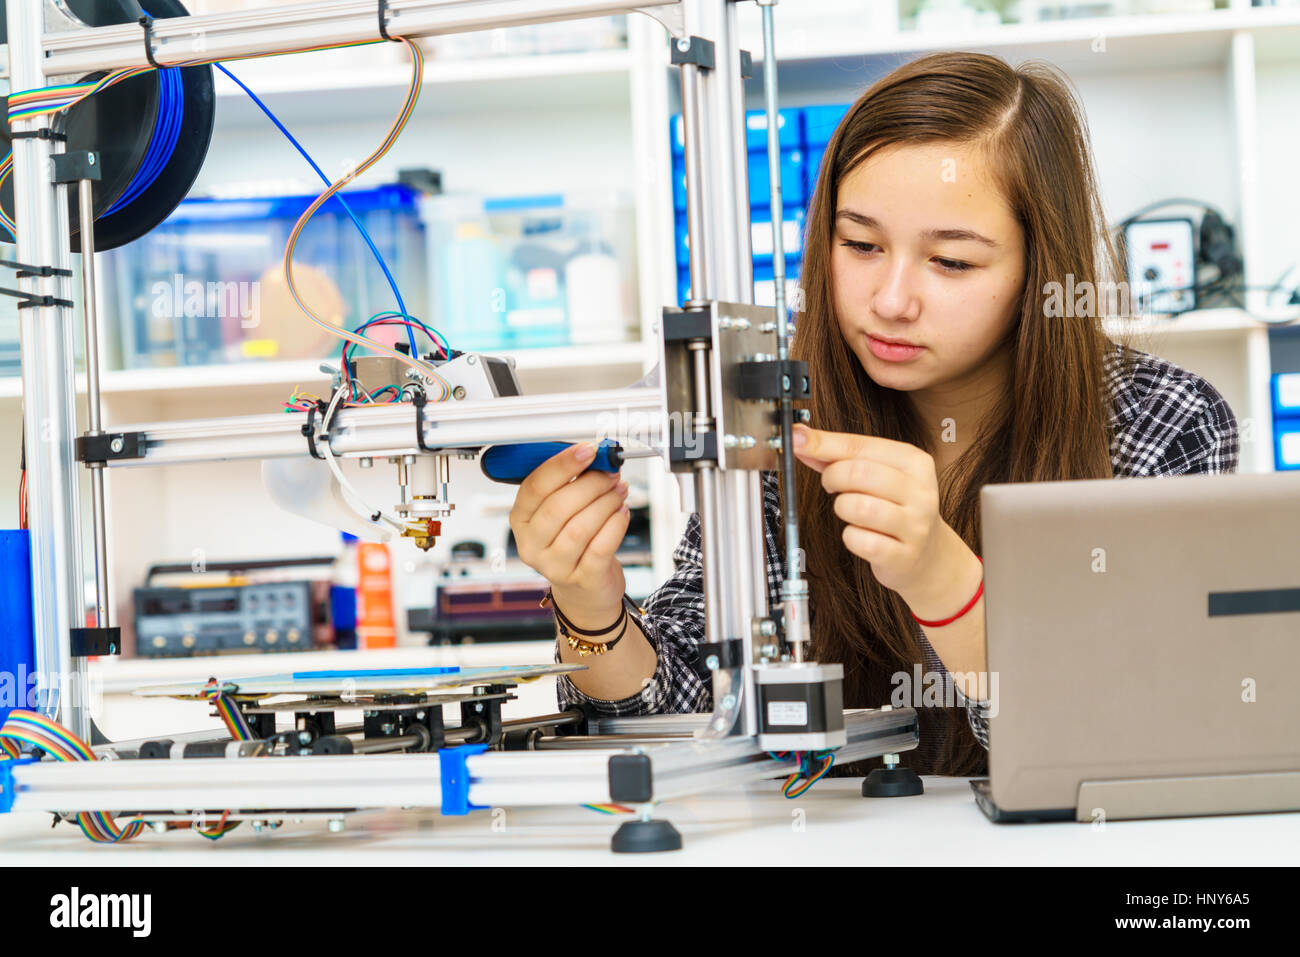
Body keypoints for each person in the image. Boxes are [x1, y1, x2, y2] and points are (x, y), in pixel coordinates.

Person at [508, 52, 1238, 776]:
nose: (890, 299)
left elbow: (1134, 743)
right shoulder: (783, 418)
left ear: (1039, 268)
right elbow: (685, 706)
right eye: (860, 243)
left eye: (951, 261)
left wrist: (940, 576)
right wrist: (587, 597)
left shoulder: (1162, 422)